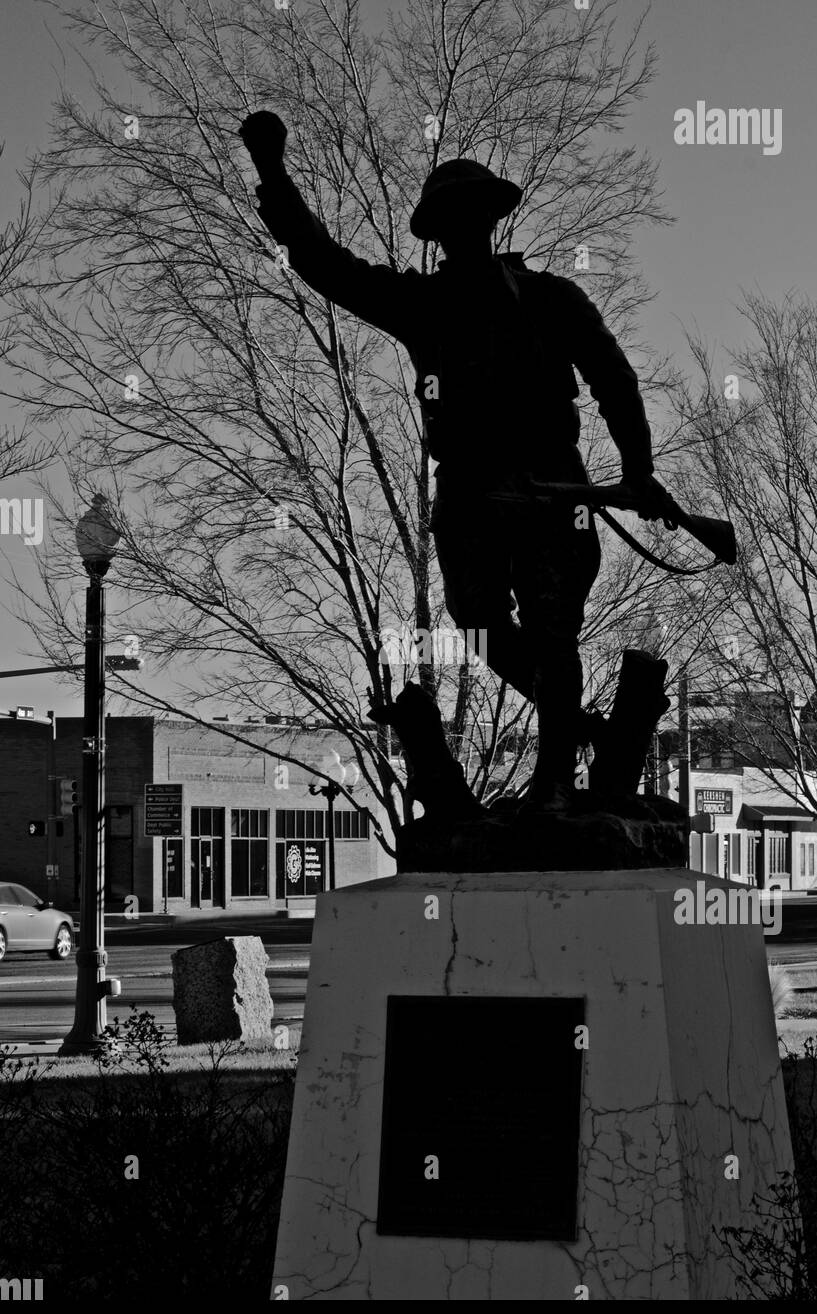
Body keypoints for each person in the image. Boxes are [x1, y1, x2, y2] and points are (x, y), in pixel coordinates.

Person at [240, 111, 668, 811]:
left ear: (492, 218)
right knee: (477, 624)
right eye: (450, 216)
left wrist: (639, 468)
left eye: (474, 211)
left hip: (555, 493)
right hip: (468, 497)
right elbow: (323, 264)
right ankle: (577, 724)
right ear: (436, 231)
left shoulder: (553, 296)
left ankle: (556, 781)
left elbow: (614, 379)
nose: (463, 225)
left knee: (554, 629)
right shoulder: (424, 305)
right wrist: (272, 173)